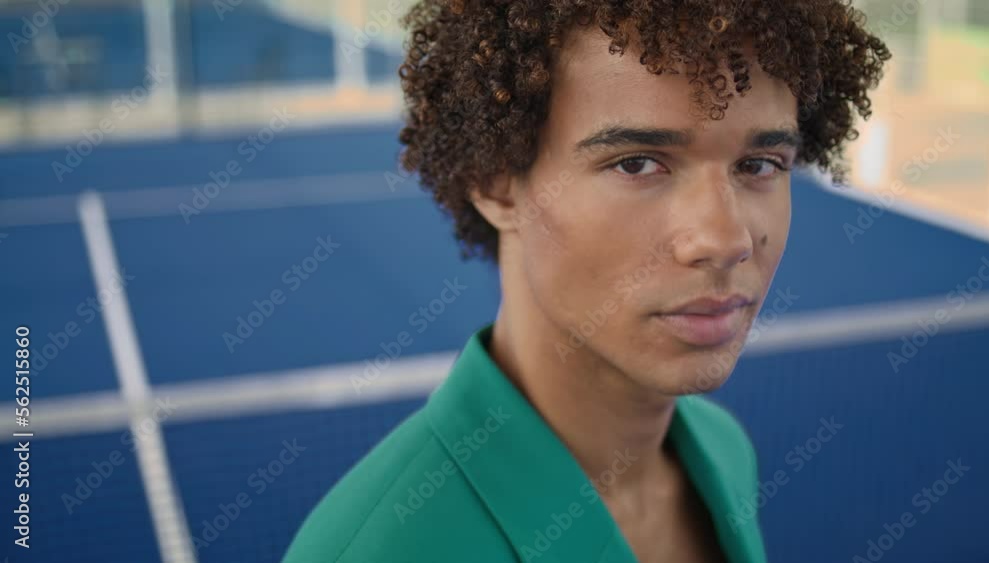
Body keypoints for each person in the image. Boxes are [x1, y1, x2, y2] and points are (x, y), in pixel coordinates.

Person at [285, 1, 889, 561]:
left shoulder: (723, 449)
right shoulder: (382, 548)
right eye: (636, 163)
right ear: (497, 181)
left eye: (759, 165)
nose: (725, 240)